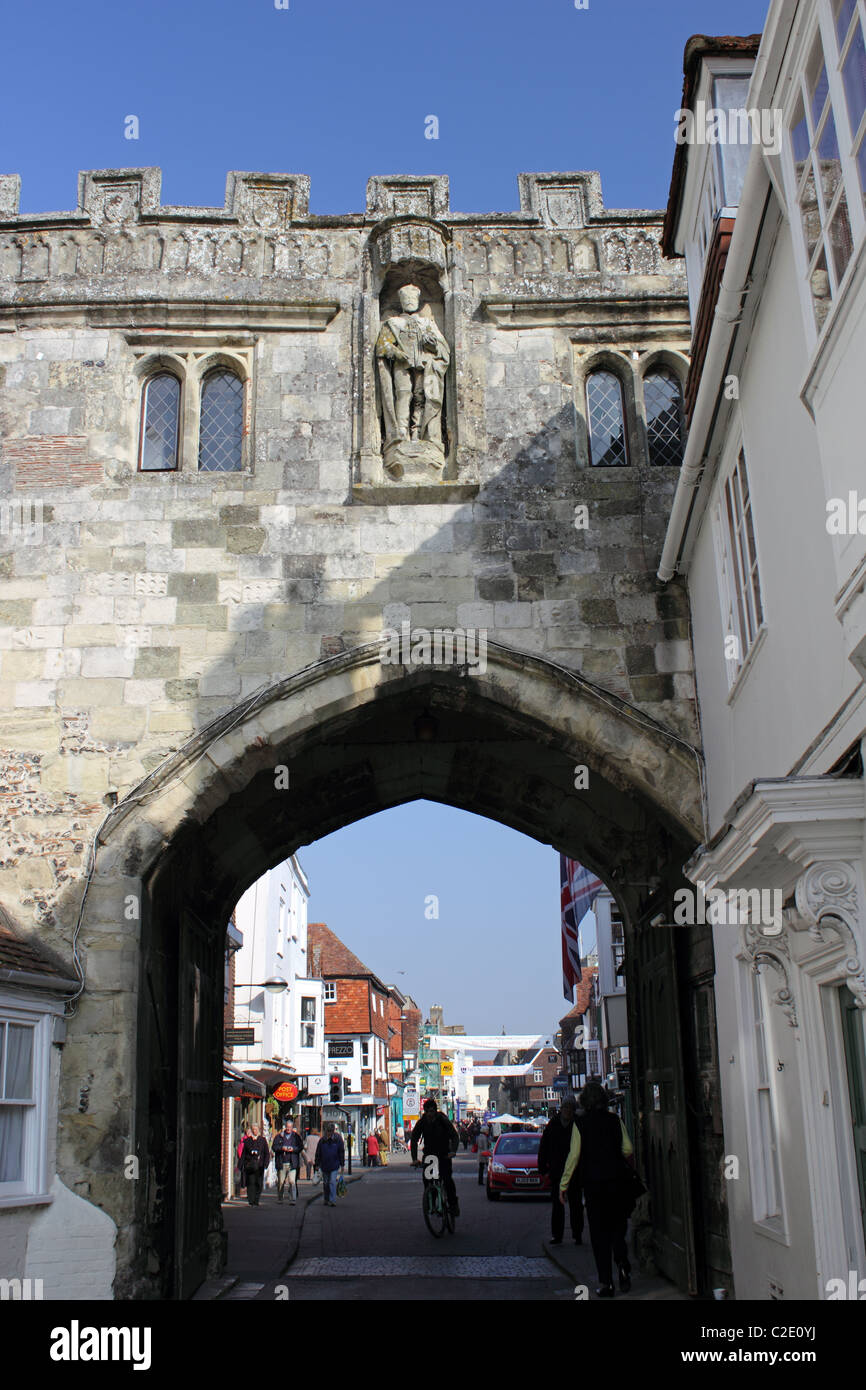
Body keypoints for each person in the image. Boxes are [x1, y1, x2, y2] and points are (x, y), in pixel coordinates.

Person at [559, 1082, 635, 1297]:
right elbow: (628, 1148)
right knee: (617, 1228)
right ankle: (622, 1264)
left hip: (593, 1186)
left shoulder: (579, 1124)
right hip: (616, 1183)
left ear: (584, 1101)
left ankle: (606, 1283)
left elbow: (573, 1157)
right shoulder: (615, 1120)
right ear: (603, 1099)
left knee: (599, 1234)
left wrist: (563, 1185)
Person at [538, 1097, 583, 1246]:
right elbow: (544, 1147)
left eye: (570, 1108)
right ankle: (557, 1235)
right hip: (557, 1171)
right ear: (561, 1109)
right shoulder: (553, 1124)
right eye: (565, 1108)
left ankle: (577, 1234)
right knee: (557, 1205)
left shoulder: (579, 1123)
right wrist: (543, 1168)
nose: (568, 1111)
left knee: (576, 1205)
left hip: (575, 1172)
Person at [411, 1098, 460, 1215]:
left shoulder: (442, 1119)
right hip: (429, 1155)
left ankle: (453, 1204)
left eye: (432, 1111)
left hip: (444, 1154)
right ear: (425, 1112)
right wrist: (414, 1159)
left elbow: (454, 1136)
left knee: (447, 1180)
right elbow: (414, 1140)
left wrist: (453, 1151)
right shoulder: (422, 1122)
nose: (430, 1114)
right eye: (427, 1112)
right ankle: (430, 1201)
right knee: (427, 1180)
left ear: (435, 1111)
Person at [272, 1118, 304, 1203]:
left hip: (292, 1162)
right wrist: (281, 1148)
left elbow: (300, 1147)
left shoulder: (296, 1137)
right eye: (287, 1127)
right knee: (281, 1182)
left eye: (290, 1127)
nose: (288, 1129)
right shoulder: (279, 1136)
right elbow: (274, 1147)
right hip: (282, 1162)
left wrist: (293, 1149)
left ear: (292, 1127)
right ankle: (280, 1198)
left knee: (292, 1181)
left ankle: (292, 1199)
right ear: (285, 1127)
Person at [315, 1122, 345, 1207]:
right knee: (326, 1183)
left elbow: (341, 1152)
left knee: (332, 1182)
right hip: (324, 1165)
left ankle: (332, 1200)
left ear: (333, 1131)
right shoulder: (322, 1140)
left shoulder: (338, 1139)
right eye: (328, 1131)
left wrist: (342, 1164)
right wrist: (317, 1164)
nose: (329, 1133)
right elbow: (318, 1153)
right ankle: (326, 1198)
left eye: (330, 1131)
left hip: (334, 1165)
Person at [240, 1122, 269, 1207]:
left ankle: (256, 1199)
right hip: (250, 1165)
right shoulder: (248, 1141)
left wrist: (266, 1163)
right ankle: (251, 1200)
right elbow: (244, 1154)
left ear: (259, 1130)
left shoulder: (262, 1140)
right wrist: (241, 1164)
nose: (255, 1131)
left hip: (260, 1166)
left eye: (256, 1129)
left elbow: (266, 1153)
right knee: (251, 1182)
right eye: (253, 1130)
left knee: (258, 1183)